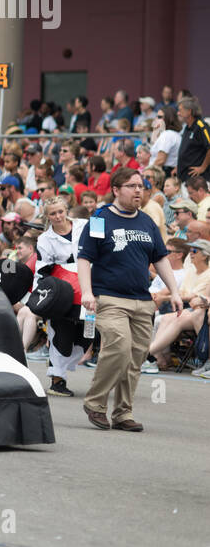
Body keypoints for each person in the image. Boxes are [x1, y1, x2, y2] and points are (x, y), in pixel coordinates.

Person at [78, 167, 181, 431]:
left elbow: (160, 259)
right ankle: (95, 402)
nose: (138, 190)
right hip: (109, 298)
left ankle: (123, 413)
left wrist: (176, 291)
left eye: (141, 186)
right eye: (132, 186)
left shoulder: (146, 221)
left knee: (135, 358)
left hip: (142, 300)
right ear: (116, 189)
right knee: (119, 348)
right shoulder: (100, 219)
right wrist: (87, 292)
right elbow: (85, 258)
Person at [32, 196, 91, 397]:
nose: (57, 216)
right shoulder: (44, 239)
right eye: (52, 213)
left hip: (90, 285)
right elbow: (41, 270)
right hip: (63, 290)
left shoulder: (84, 225)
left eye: (60, 211)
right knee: (60, 331)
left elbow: (102, 245)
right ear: (47, 216)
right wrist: (40, 300)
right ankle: (57, 379)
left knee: (88, 332)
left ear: (66, 210)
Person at [142, 238, 210, 372]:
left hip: (197, 310)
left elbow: (194, 296)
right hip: (190, 309)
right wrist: (166, 296)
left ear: (205, 255)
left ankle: (145, 355)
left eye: (195, 250)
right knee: (166, 318)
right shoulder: (191, 271)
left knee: (177, 319)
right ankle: (156, 359)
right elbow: (183, 292)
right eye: (190, 250)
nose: (191, 253)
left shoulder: (208, 274)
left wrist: (165, 297)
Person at [176, 97, 210, 188]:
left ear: (189, 111)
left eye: (180, 110)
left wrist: (202, 167)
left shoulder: (201, 126)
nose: (178, 113)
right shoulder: (187, 127)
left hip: (198, 182)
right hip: (185, 179)